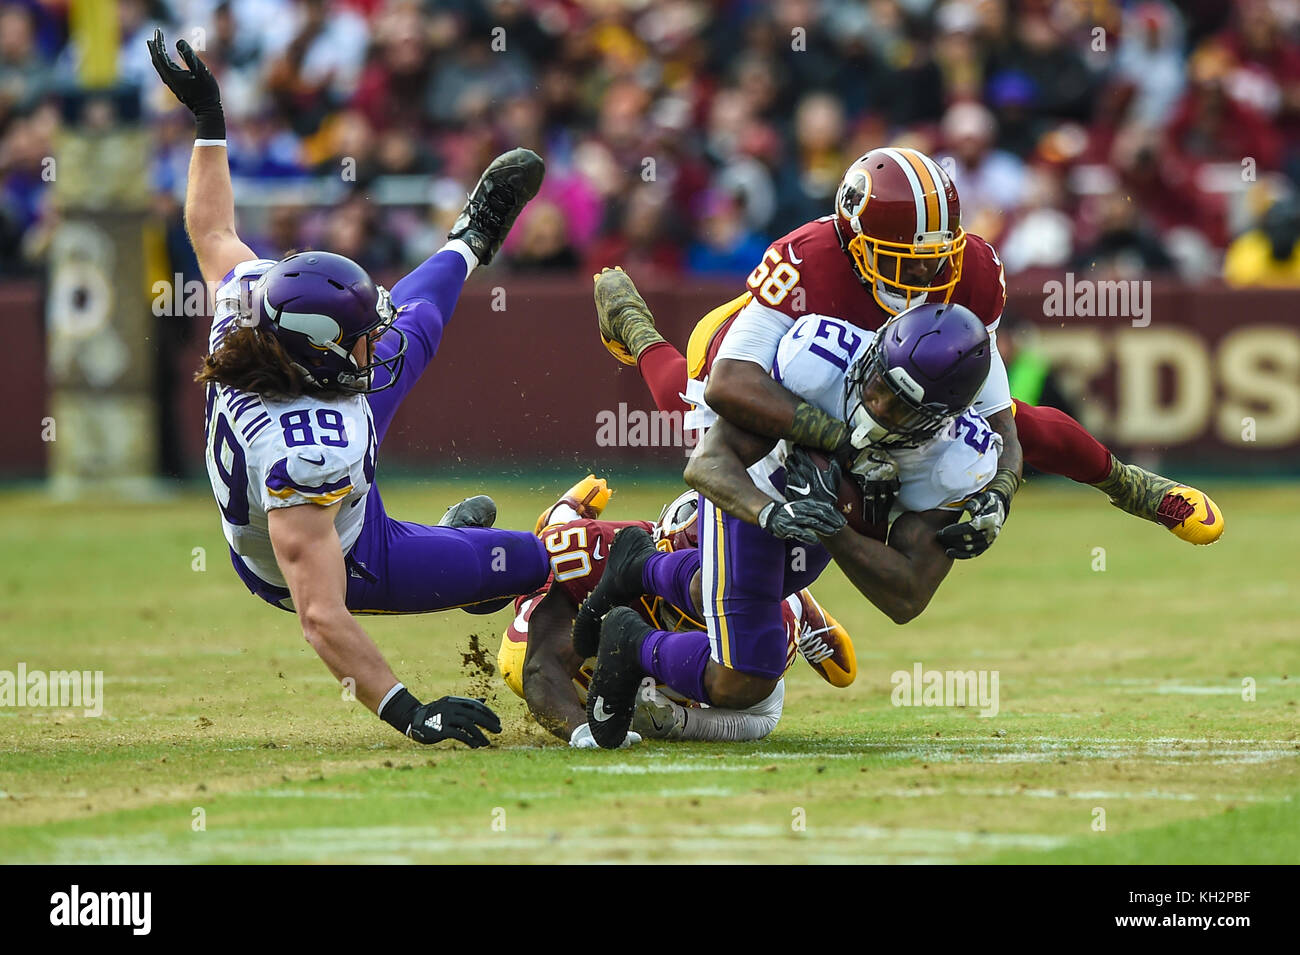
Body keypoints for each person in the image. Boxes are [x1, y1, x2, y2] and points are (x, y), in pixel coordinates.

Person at [149, 30, 549, 748]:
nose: (372, 347)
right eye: (358, 338)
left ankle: (468, 239)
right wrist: (410, 709)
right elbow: (321, 615)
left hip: (320, 447)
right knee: (528, 561)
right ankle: (462, 562)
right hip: (350, 546)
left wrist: (210, 122)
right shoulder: (306, 450)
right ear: (320, 352)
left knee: (414, 324)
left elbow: (211, 232)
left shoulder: (252, 310)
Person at [600, 148, 1224, 555]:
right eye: (906, 261)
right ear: (855, 239)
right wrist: (843, 442)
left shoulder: (972, 270)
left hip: (888, 376)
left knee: (1022, 424)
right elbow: (730, 385)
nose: (925, 281)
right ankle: (637, 332)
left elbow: (1003, 418)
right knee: (694, 407)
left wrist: (1001, 491)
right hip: (783, 362)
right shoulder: (809, 261)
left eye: (935, 261)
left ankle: (1130, 485)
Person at [578, 300, 1001, 748]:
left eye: (898, 408)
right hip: (757, 485)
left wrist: (831, 526)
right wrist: (772, 512)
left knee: (739, 588)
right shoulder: (816, 363)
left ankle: (641, 568)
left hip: (822, 524)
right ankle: (631, 640)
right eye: (877, 382)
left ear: (938, 420)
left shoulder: (953, 462)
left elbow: (906, 597)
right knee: (746, 678)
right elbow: (708, 463)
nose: (874, 403)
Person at [497, 477, 857, 748]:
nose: (701, 609)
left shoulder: (777, 618)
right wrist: (580, 730)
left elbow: (761, 716)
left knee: (763, 700)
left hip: (755, 597)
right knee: (517, 660)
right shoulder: (599, 549)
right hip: (602, 577)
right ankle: (559, 518)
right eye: (700, 584)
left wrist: (681, 721)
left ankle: (803, 601)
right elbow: (540, 668)